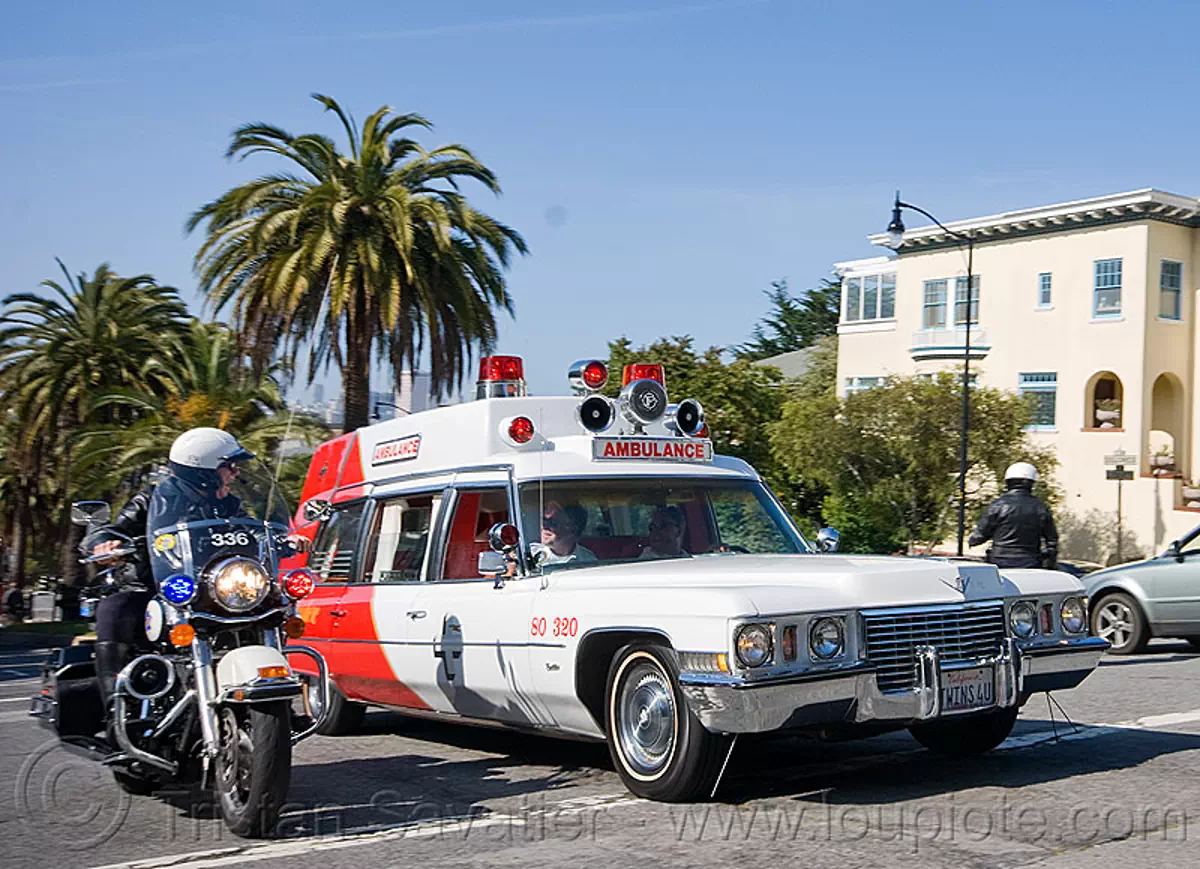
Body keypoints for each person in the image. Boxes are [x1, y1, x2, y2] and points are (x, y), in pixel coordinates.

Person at [91, 428, 308, 731]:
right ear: (203, 471)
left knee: (269, 609)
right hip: (158, 584)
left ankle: (276, 704)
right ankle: (117, 713)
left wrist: (282, 538)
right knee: (114, 610)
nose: (234, 472)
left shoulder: (228, 503)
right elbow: (115, 529)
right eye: (228, 466)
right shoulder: (153, 498)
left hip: (215, 586)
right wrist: (105, 543)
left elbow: (253, 528)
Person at [969, 462, 1058, 569]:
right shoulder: (1041, 507)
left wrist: (973, 540)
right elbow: (1052, 539)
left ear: (1008, 482)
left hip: (999, 560)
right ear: (1031, 483)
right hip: (1030, 561)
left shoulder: (997, 505)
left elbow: (980, 535)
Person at [536, 501, 597, 566]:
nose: (544, 526)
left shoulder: (588, 561)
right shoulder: (529, 555)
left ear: (573, 528)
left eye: (552, 522)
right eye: (543, 520)